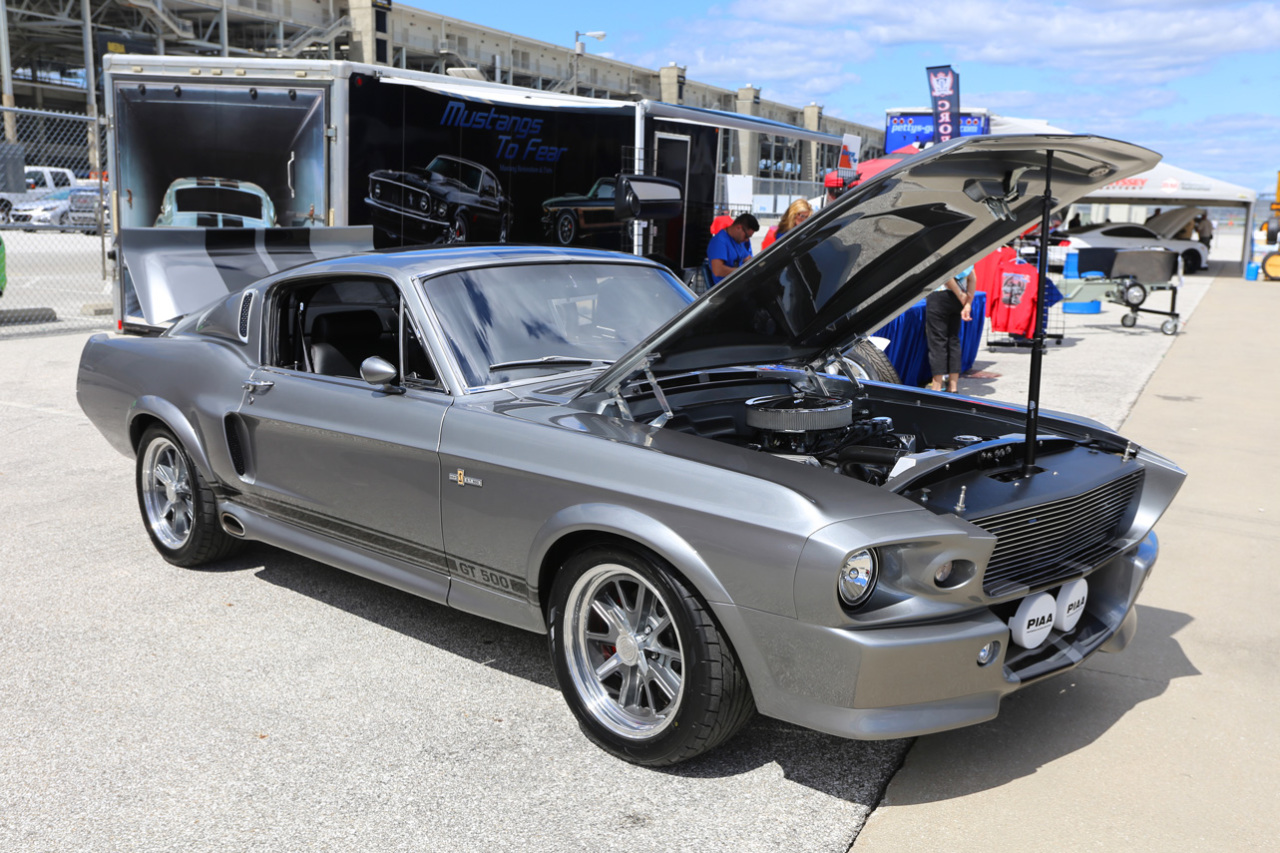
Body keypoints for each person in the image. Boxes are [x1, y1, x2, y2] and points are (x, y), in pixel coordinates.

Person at [925, 265, 976, 393]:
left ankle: (937, 386)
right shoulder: (969, 256)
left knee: (937, 341)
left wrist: (960, 295)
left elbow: (946, 275)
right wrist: (967, 304)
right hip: (958, 300)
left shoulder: (947, 251)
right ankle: (953, 386)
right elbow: (972, 278)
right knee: (953, 341)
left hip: (939, 295)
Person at [706, 213, 758, 286]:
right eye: (746, 236)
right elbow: (718, 270)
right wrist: (742, 272)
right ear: (738, 227)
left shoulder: (738, 241)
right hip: (727, 289)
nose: (747, 240)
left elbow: (748, 259)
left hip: (739, 284)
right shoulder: (719, 241)